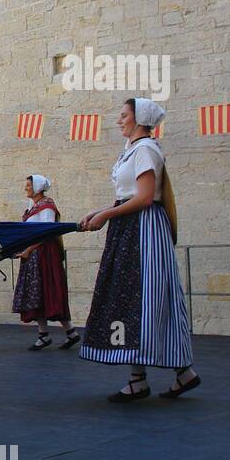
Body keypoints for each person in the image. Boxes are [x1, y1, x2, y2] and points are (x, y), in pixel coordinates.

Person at [78, 98, 199, 401]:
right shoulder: (134, 150)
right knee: (133, 298)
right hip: (131, 227)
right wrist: (100, 212)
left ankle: (160, 375)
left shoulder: (144, 149)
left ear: (140, 119)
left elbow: (145, 198)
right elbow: (127, 197)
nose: (118, 120)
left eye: (123, 116)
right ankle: (158, 376)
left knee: (144, 298)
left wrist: (106, 215)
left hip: (143, 230)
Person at [13, 174, 79, 350]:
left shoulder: (47, 207)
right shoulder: (33, 207)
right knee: (37, 294)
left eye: (28, 185)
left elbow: (47, 233)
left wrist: (28, 250)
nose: (25, 188)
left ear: (37, 188)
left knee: (49, 291)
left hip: (44, 255)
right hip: (33, 256)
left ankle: (68, 332)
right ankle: (50, 334)